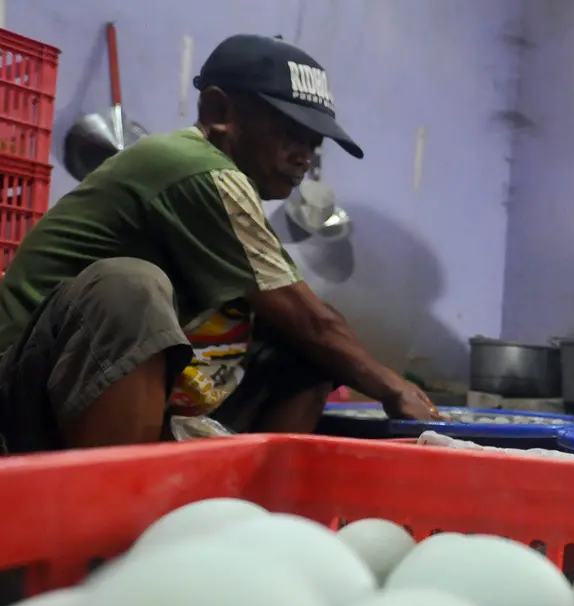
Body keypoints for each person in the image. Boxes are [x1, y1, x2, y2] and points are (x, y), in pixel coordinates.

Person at [0, 34, 443, 454]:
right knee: (131, 285)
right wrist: (394, 387)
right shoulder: (196, 167)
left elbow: (310, 331)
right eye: (290, 132)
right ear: (219, 109)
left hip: (91, 389)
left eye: (313, 143)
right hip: (25, 397)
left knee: (310, 353)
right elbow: (313, 321)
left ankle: (250, 507)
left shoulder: (228, 191)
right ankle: (116, 505)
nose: (304, 157)